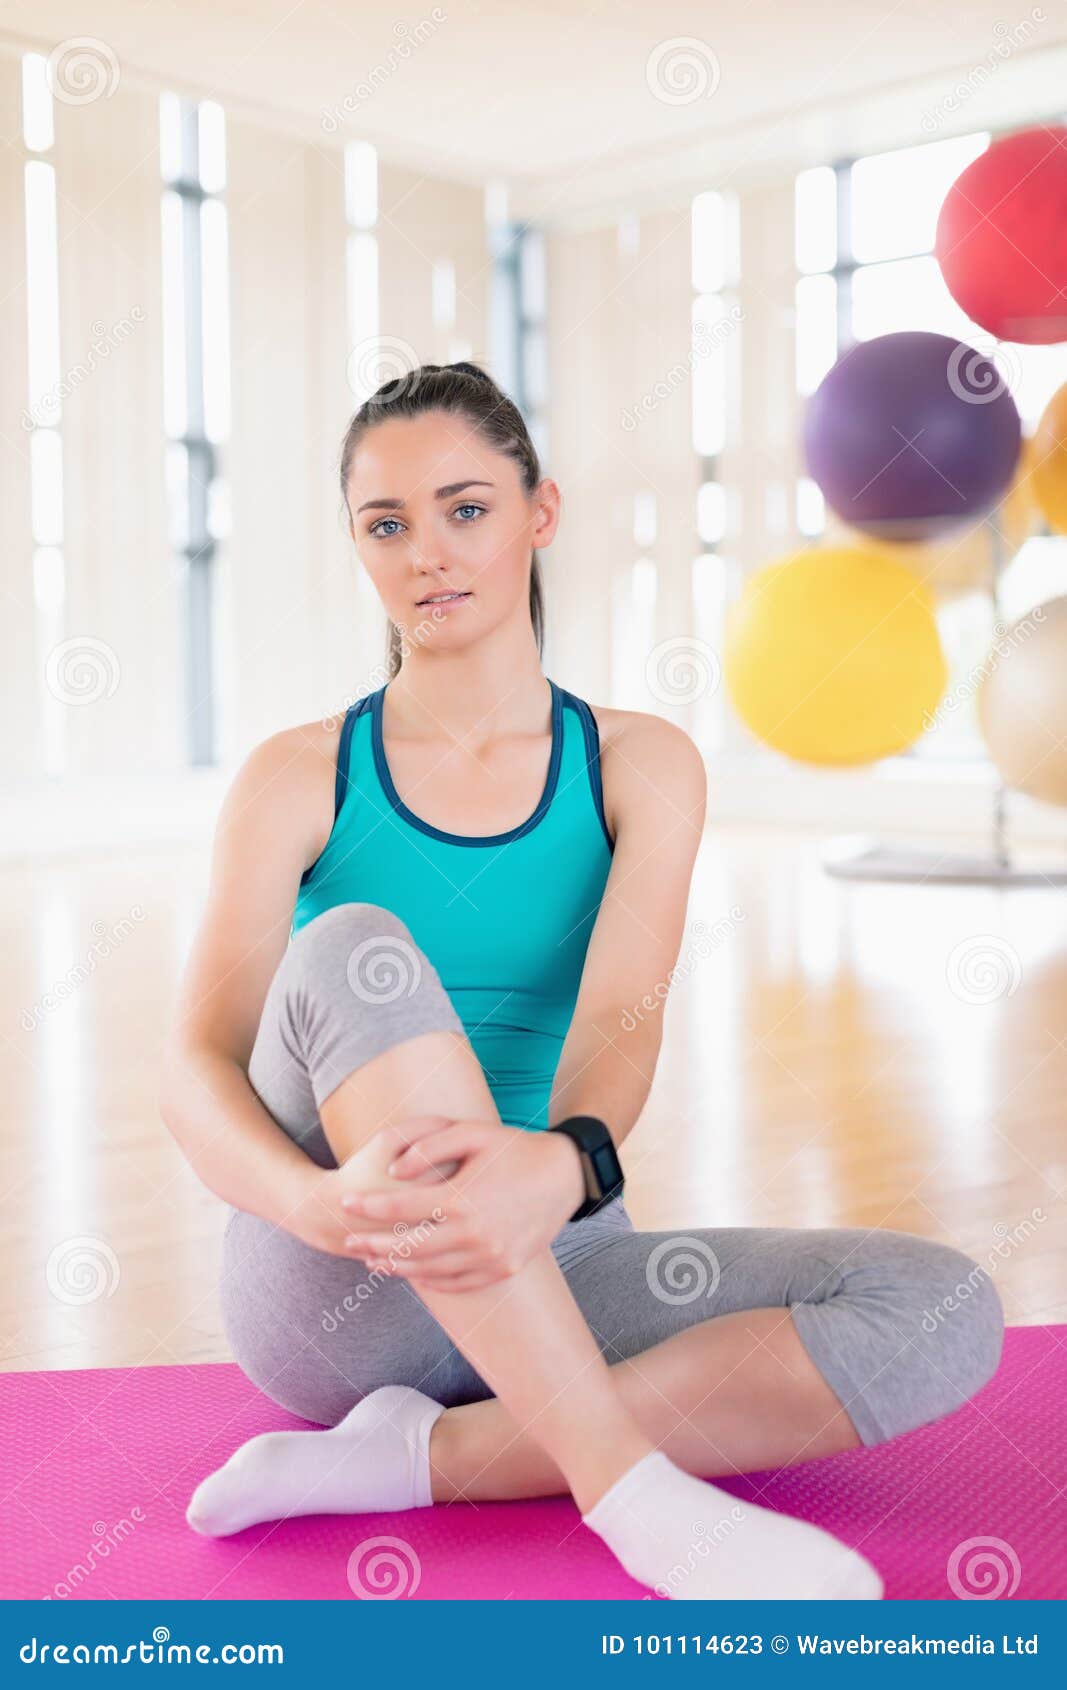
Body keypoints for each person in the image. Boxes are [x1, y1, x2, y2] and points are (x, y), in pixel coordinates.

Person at [160, 361, 1004, 1601]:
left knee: (939, 1307)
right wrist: (316, 1205)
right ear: (357, 544)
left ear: (537, 514)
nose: (427, 554)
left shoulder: (635, 762)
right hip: (349, 1276)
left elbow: (621, 1012)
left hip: (556, 1253)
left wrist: (561, 1166)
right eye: (386, 524)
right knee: (354, 943)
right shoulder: (297, 774)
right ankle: (627, 1488)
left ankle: (411, 1459)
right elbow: (193, 1067)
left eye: (465, 508)